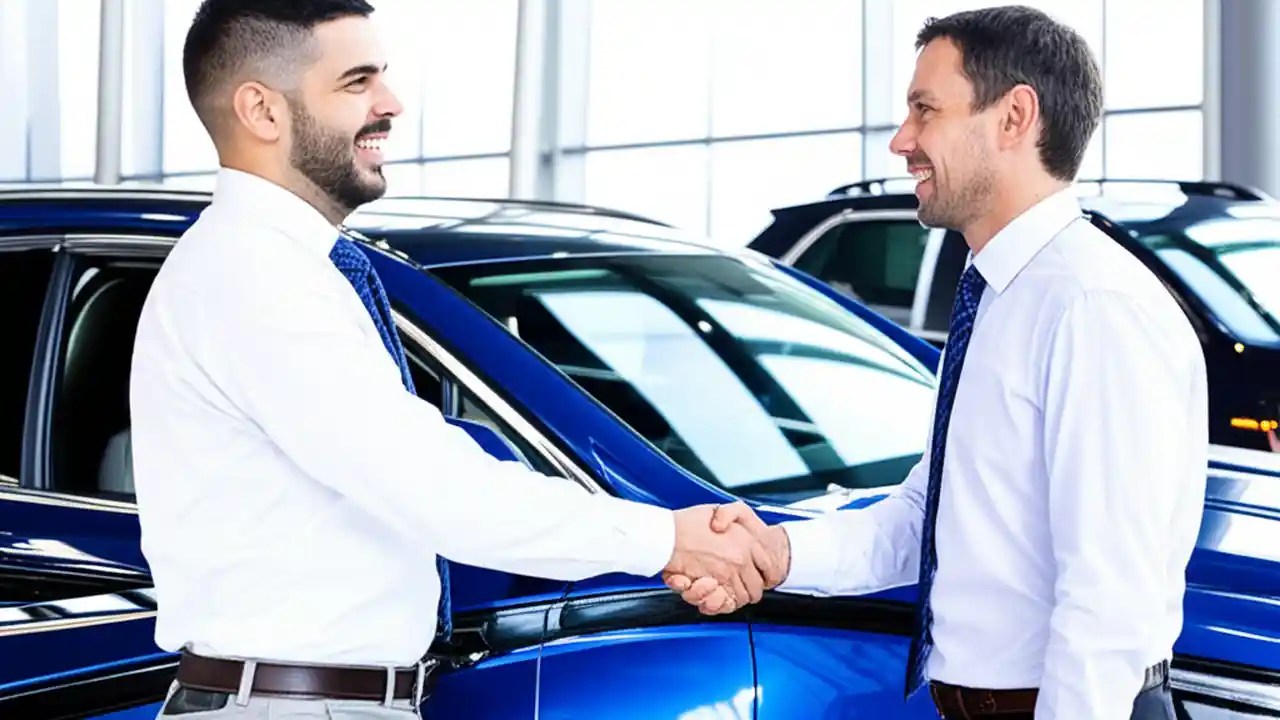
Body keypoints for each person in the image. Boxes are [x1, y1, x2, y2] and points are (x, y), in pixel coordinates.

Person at [130, 1, 770, 718]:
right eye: (356, 82)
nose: (392, 104)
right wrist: (667, 536)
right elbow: (431, 485)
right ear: (262, 110)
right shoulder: (252, 272)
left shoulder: (288, 266)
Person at [668, 6, 1207, 719]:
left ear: (1015, 116)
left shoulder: (1090, 304)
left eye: (925, 110)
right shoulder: (1001, 291)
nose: (902, 141)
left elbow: (1108, 604)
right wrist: (776, 551)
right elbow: (928, 518)